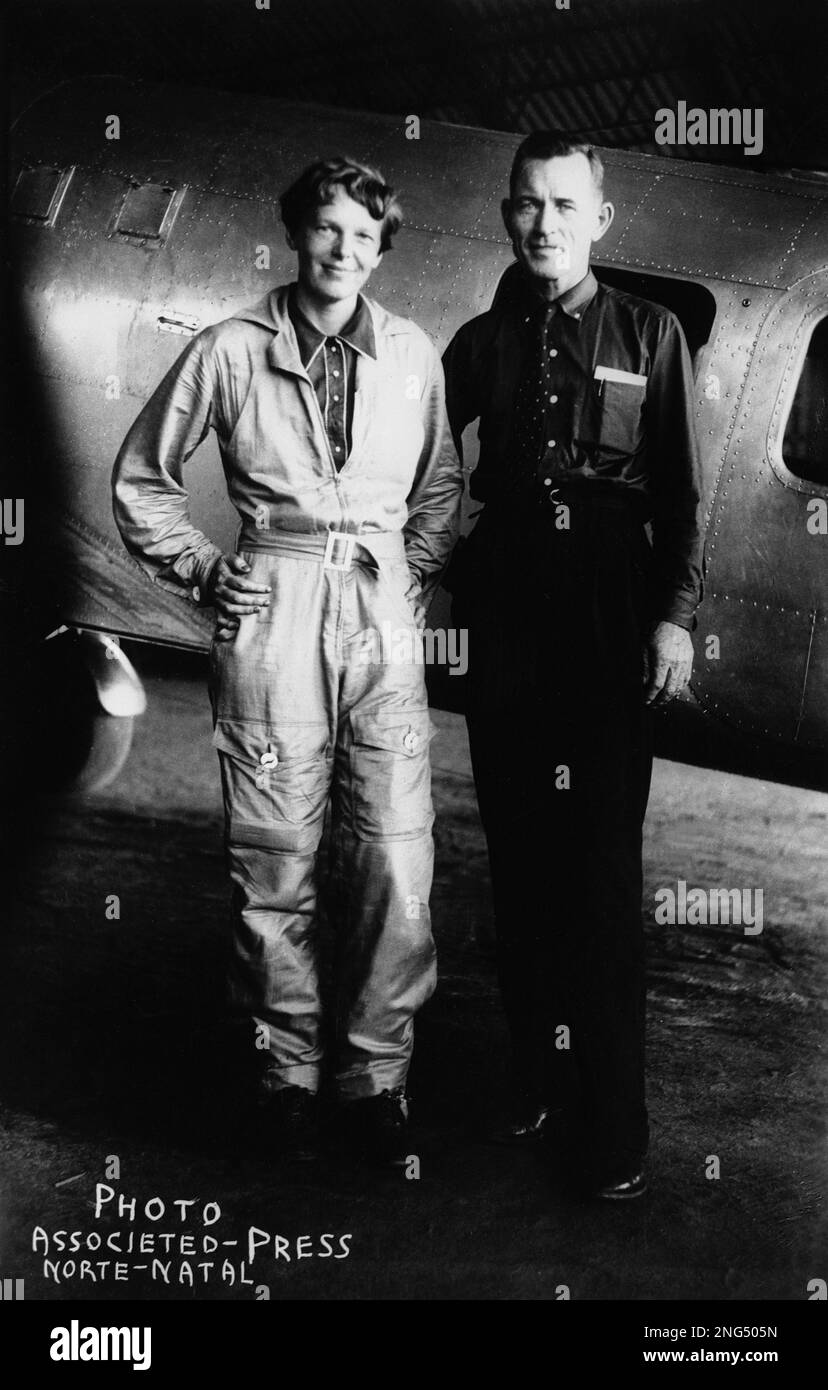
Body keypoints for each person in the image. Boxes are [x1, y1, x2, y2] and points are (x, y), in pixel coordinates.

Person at [112, 156, 462, 1165]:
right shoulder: (229, 349)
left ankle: (374, 1077)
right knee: (274, 857)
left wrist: (405, 576)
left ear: (381, 244)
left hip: (380, 619)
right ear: (297, 234)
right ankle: (283, 1076)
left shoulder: (411, 354)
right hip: (273, 610)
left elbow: (440, 490)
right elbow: (143, 480)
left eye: (362, 234)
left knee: (393, 855)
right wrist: (202, 566)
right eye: (326, 229)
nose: (342, 251)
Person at [442, 131, 703, 1200]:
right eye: (525, 205)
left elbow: (683, 494)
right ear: (507, 216)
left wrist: (673, 618)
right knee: (516, 858)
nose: (542, 223)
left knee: (596, 871)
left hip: (606, 603)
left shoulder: (654, 335)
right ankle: (532, 1077)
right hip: (505, 602)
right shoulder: (475, 343)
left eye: (563, 205)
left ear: (600, 219)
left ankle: (615, 1119)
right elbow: (412, 466)